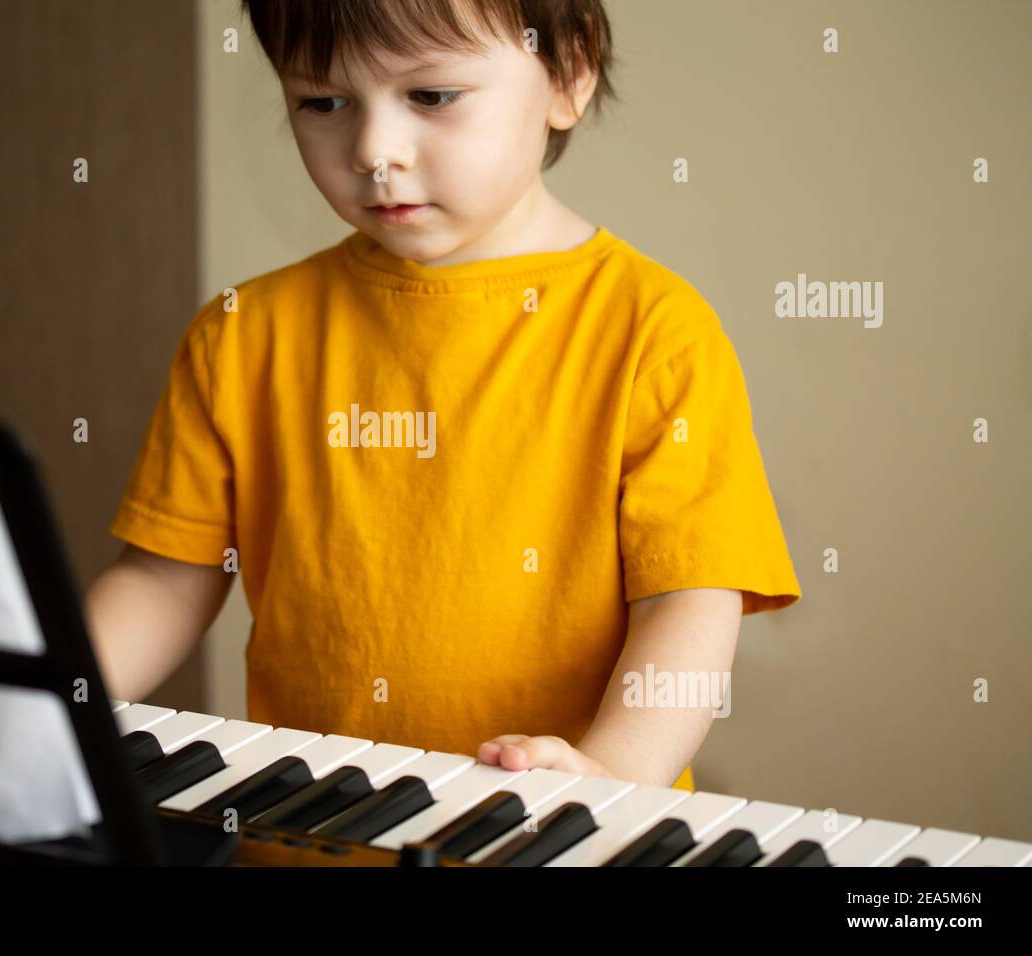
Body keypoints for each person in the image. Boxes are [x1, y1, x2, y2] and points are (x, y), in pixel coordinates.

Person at [85, 0, 801, 793]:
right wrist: (54, 699)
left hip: (562, 838)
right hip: (306, 838)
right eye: (323, 103)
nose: (373, 151)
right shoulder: (243, 334)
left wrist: (615, 774)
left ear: (568, 73)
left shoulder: (656, 334)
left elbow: (689, 600)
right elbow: (163, 579)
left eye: (430, 97)